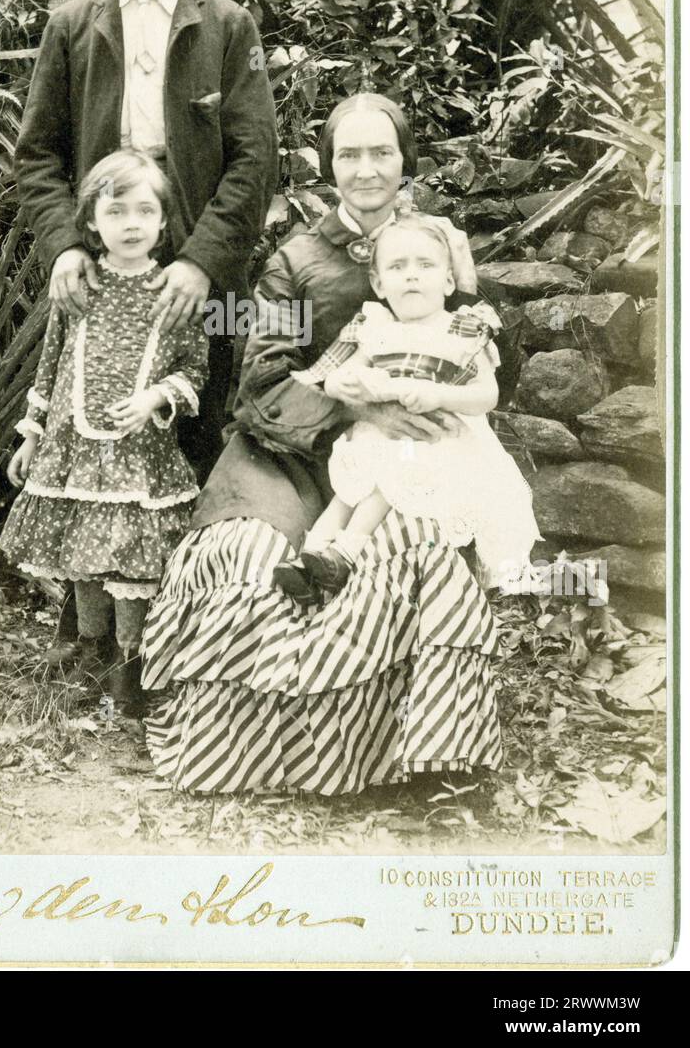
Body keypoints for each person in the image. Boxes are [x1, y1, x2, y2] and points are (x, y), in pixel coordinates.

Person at [141, 93, 506, 795]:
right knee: (248, 559)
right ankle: (240, 753)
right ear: (327, 164)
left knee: (411, 560)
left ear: (405, 162)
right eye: (350, 155)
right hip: (284, 449)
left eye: (382, 153)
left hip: (408, 457)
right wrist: (362, 410)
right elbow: (262, 379)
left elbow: (484, 362)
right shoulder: (293, 259)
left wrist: (462, 298)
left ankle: (407, 757)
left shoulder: (433, 247)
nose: (367, 171)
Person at [15, 0, 277, 477]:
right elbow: (37, 155)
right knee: (93, 416)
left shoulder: (228, 24)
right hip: (103, 249)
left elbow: (255, 157)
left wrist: (201, 261)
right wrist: (67, 248)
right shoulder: (73, 24)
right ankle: (100, 572)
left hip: (197, 241)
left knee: (200, 410)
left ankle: (201, 572)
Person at [0, 151, 207, 714]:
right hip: (74, 452)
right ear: (92, 221)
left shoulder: (177, 293)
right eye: (117, 211)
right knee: (85, 558)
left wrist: (155, 397)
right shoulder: (78, 286)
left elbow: (195, 372)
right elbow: (50, 365)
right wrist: (33, 433)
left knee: (130, 564)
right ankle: (89, 652)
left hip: (138, 456)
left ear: (165, 220)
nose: (132, 224)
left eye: (146, 210)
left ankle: (128, 662)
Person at [273, 214, 540, 602]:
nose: (412, 276)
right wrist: (340, 383)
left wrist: (440, 396)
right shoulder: (375, 326)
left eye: (425, 265)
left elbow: (487, 395)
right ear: (379, 284)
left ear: (449, 280)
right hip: (377, 432)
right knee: (348, 492)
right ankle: (309, 557)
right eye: (398, 267)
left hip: (439, 442)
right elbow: (336, 374)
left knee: (390, 472)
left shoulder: (462, 330)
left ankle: (344, 553)